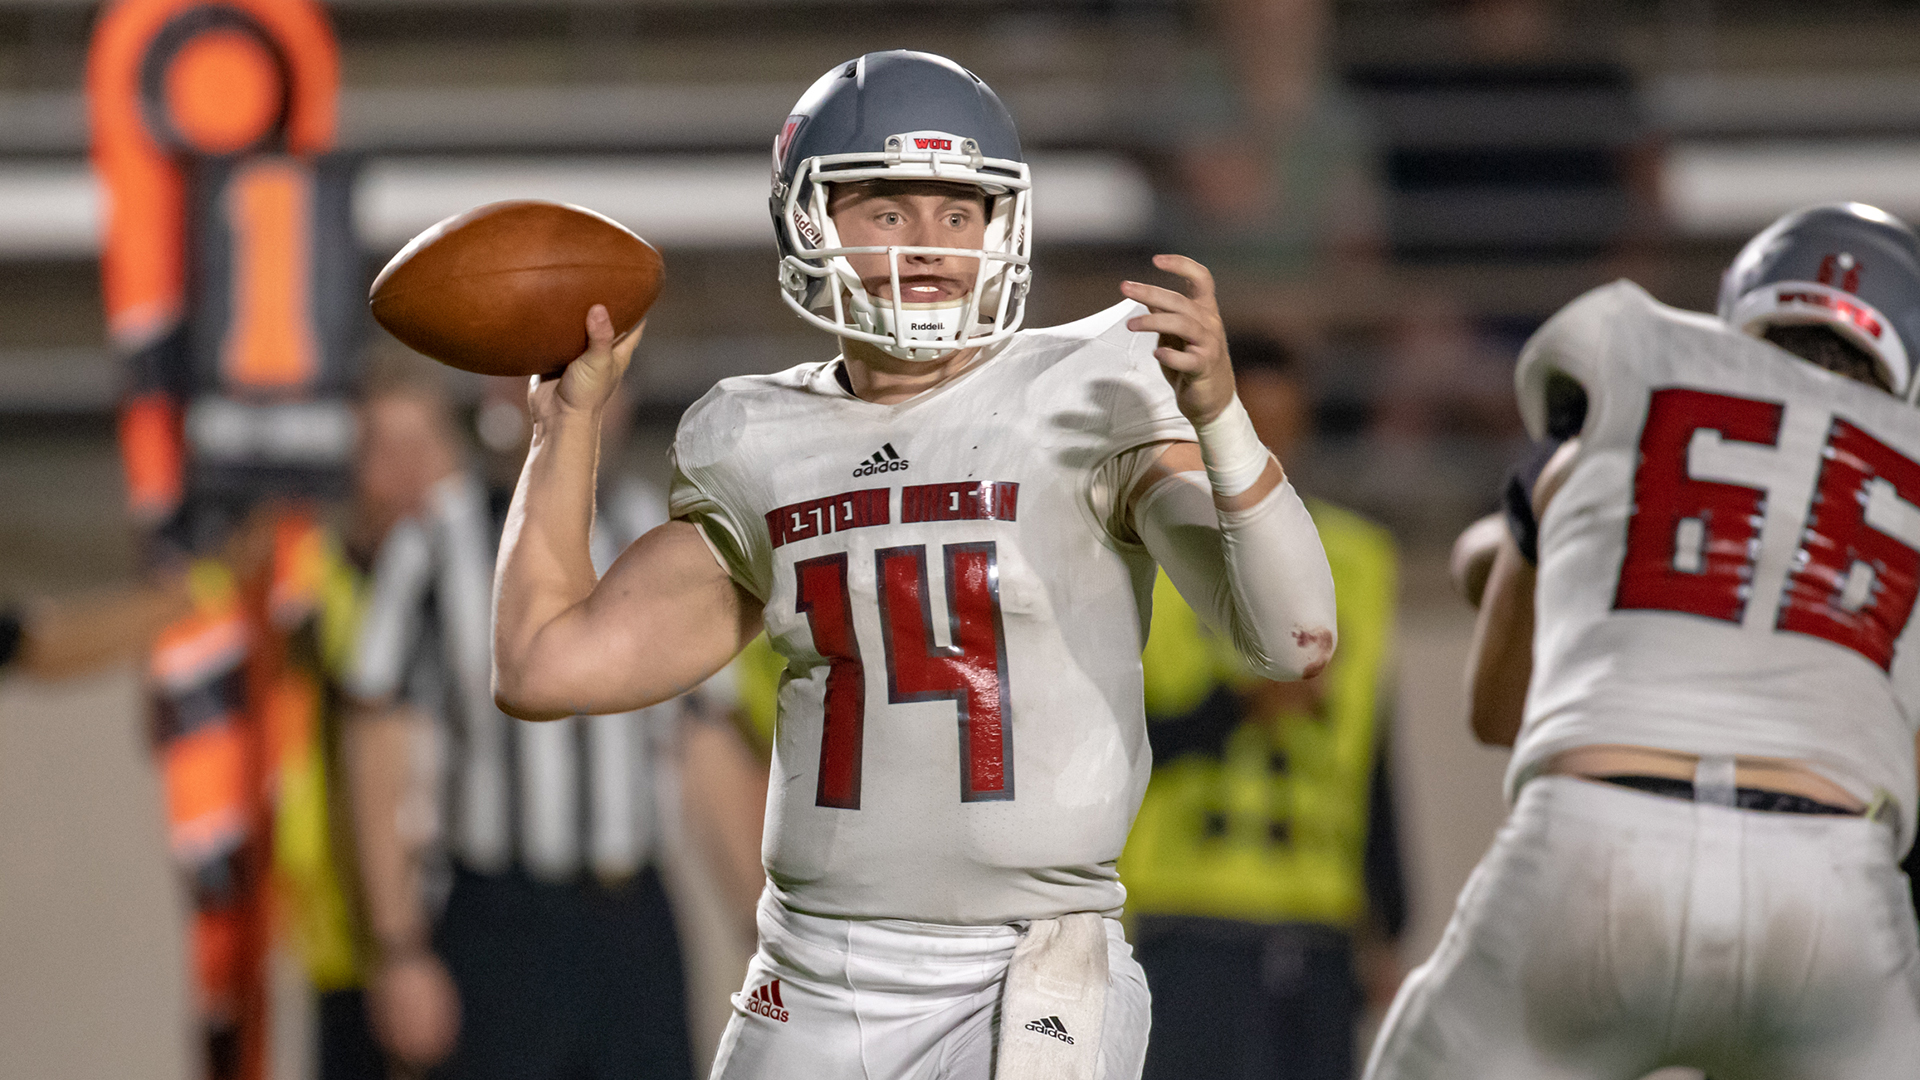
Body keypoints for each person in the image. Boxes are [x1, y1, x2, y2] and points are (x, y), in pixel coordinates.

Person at [492, 50, 1337, 1080]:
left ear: (1003, 226)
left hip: (1031, 961)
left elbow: (1295, 636)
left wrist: (1221, 422)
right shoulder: (757, 438)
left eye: (958, 210)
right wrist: (563, 427)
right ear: (812, 222)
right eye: (888, 211)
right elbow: (543, 666)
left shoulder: (1090, 390)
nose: (930, 245)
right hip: (812, 964)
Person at [1365, 202, 1920, 1079]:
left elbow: (1499, 712)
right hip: (1829, 889)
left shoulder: (1636, 391)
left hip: (1596, 850)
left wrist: (1521, 547)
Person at [343, 359, 693, 1080]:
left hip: (631, 913)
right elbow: (377, 743)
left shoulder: (655, 534)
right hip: (500, 918)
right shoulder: (436, 540)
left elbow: (707, 740)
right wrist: (398, 946)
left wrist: (776, 933)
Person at [1120, 337, 1405, 1080]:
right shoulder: (1141, 548)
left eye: (1284, 425)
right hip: (1181, 908)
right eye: (1251, 426)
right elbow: (1107, 743)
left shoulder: (1360, 558)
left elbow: (1371, 746)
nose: (1268, 448)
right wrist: (1240, 708)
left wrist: (1391, 915)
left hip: (1318, 915)